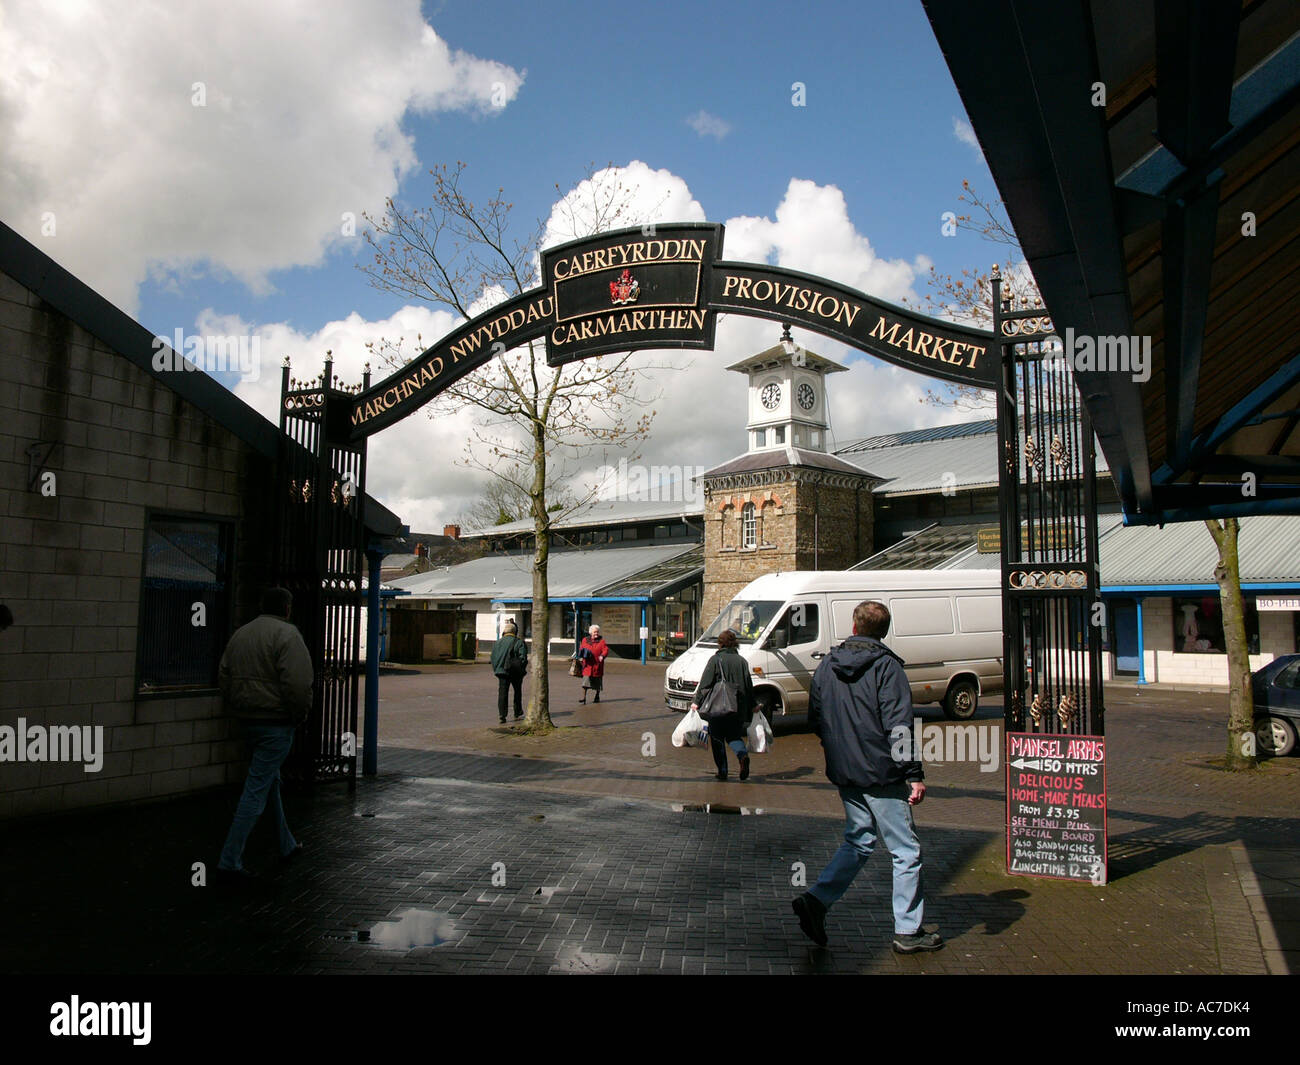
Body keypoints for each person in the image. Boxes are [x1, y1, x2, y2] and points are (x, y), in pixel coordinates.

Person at [792, 600, 942, 954]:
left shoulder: (827, 665)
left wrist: (840, 748)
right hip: (881, 771)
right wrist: (914, 773)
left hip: (845, 769)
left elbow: (815, 717)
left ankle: (817, 899)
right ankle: (908, 931)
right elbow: (898, 725)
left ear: (854, 626)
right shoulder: (887, 667)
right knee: (905, 851)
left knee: (859, 840)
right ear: (883, 631)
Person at [215, 587, 313, 884]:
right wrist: (299, 714)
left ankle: (285, 844)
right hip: (275, 721)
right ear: (287, 608)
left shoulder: (241, 633)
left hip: (247, 719)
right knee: (256, 789)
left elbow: (224, 675)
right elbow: (297, 684)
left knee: (269, 780)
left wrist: (237, 704)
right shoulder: (287, 635)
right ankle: (229, 861)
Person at [690, 627, 755, 781]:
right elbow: (748, 685)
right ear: (735, 644)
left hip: (718, 707)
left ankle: (723, 771)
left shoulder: (715, 660)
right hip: (737, 708)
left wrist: (696, 702)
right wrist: (753, 704)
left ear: (720, 644)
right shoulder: (742, 661)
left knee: (717, 738)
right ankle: (742, 755)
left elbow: (705, 683)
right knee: (734, 736)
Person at [490, 620, 528, 723]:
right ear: (515, 631)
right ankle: (517, 711)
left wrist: (497, 668)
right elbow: (523, 658)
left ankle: (502, 715)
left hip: (501, 671)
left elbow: (493, 657)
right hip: (515, 671)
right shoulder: (518, 642)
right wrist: (522, 669)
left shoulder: (498, 642)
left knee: (502, 693)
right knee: (517, 692)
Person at [578, 625, 609, 704]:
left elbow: (605, 650)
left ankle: (597, 696)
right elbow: (581, 648)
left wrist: (602, 656)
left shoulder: (601, 641)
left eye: (597, 632)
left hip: (597, 665)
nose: (596, 633)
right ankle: (583, 697)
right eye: (595, 632)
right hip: (587, 665)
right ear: (590, 632)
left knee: (597, 682)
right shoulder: (585, 640)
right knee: (585, 682)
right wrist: (582, 654)